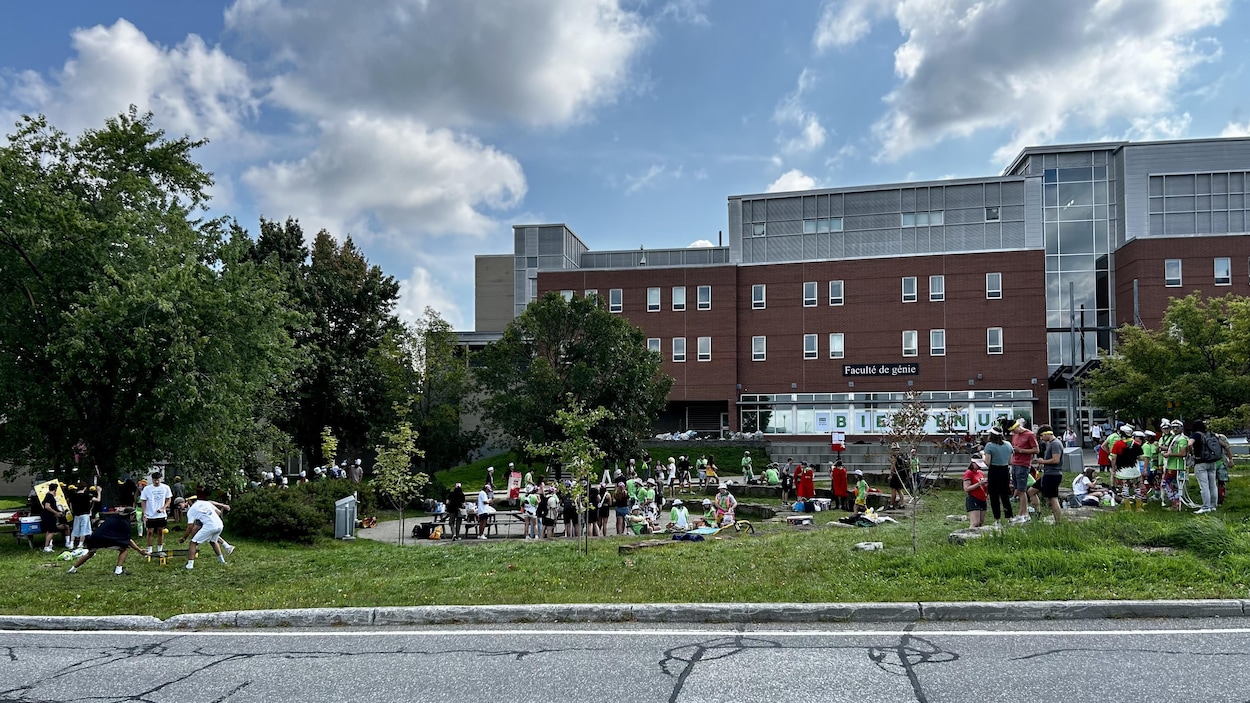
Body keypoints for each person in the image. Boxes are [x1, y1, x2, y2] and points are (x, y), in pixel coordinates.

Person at [66, 508, 149, 575]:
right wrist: (139, 550)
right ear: (131, 515)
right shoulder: (124, 523)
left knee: (90, 553)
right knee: (124, 549)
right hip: (106, 539)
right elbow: (128, 540)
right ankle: (118, 570)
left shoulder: (114, 517)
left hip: (94, 538)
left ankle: (72, 569)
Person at [180, 495, 229, 570]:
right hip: (220, 525)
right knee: (213, 541)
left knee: (193, 543)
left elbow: (190, 527)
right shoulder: (205, 502)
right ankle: (222, 561)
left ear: (189, 501)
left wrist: (184, 538)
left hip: (210, 526)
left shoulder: (191, 510)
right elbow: (218, 512)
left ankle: (189, 565)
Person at [980, 427, 1014, 524]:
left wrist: (983, 454)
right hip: (1005, 470)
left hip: (994, 471)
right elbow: (1010, 461)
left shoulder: (989, 446)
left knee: (994, 496)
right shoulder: (1008, 444)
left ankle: (997, 519)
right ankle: (1010, 517)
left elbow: (987, 462)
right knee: (1005, 495)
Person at [1008, 418, 1038, 524]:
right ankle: (1021, 513)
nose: (1013, 433)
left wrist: (1022, 450)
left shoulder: (1029, 434)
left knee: (1022, 490)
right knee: (1017, 489)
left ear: (1017, 427)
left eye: (1013, 430)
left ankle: (1024, 513)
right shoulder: (1015, 436)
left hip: (1023, 464)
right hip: (1015, 463)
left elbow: (1036, 449)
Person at [1190, 419, 1221, 514]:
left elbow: (1189, 443)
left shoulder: (1196, 435)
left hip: (1200, 462)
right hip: (1212, 461)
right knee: (1213, 485)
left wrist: (1192, 452)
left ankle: (1205, 507)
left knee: (1204, 486)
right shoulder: (1210, 434)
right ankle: (1213, 506)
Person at [1035, 425, 1065, 523]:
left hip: (1053, 474)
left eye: (1041, 436)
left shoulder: (1055, 444)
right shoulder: (1050, 443)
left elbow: (1056, 460)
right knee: (1031, 490)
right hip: (1048, 473)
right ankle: (1037, 512)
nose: (1041, 438)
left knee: (1053, 498)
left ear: (1047, 434)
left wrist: (1043, 461)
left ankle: (1058, 521)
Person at [140, 471, 173, 555]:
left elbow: (169, 499)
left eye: (158, 480)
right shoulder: (147, 489)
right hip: (150, 514)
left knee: (160, 531)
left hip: (161, 514)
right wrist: (144, 513)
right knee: (150, 532)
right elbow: (143, 501)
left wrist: (163, 508)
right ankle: (149, 549)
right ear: (152, 480)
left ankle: (160, 549)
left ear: (160, 479)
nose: (157, 482)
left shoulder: (165, 487)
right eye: (155, 480)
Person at [1161, 419, 1189, 511]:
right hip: (1173, 465)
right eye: (1173, 428)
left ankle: (1175, 503)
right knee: (1175, 485)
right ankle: (1176, 503)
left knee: (1166, 483)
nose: (1175, 429)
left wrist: (1169, 454)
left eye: (1177, 427)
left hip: (1176, 466)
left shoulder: (1182, 439)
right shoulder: (1175, 437)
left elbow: (1183, 453)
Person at [68, 483, 98, 550]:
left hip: (76, 515)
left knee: (75, 529)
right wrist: (99, 492)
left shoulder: (73, 496)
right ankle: (80, 544)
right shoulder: (87, 495)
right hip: (85, 514)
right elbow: (98, 500)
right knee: (83, 529)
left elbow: (70, 504)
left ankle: (71, 543)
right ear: (84, 488)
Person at [40, 482, 67, 553]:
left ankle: (48, 546)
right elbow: (47, 506)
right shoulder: (49, 496)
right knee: (52, 532)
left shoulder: (47, 496)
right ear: (55, 489)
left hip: (48, 516)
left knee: (49, 531)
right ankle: (46, 546)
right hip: (49, 517)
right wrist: (56, 513)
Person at [962, 459, 989, 528]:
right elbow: (966, 488)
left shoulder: (980, 473)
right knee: (975, 523)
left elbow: (983, 486)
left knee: (980, 522)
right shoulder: (969, 473)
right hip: (973, 498)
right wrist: (978, 484)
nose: (979, 467)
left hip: (982, 498)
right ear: (973, 463)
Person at [887, 444, 906, 510]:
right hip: (900, 475)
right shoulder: (901, 456)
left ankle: (891, 505)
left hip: (895, 475)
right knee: (899, 490)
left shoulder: (894, 457)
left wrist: (890, 475)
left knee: (893, 491)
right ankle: (902, 504)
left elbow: (893, 466)